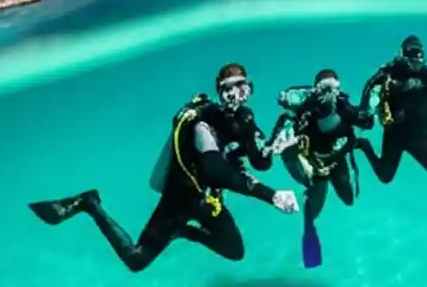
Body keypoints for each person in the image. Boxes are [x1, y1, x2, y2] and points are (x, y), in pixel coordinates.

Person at [28, 64, 300, 272]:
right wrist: (271, 195)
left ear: (250, 89)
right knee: (136, 260)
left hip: (209, 200)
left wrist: (276, 147)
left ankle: (184, 233)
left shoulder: (245, 120)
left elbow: (259, 162)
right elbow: (216, 170)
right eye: (226, 88)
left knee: (234, 250)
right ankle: (90, 204)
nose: (233, 95)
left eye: (240, 87)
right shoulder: (202, 122)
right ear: (218, 91)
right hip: (179, 200)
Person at [269, 69, 375, 267]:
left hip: (337, 160)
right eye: (324, 88)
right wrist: (281, 144)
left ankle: (311, 202)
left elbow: (366, 122)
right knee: (313, 213)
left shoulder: (343, 106)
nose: (328, 94)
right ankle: (310, 229)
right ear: (315, 90)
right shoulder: (307, 110)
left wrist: (368, 107)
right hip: (315, 167)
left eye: (333, 88)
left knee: (349, 198)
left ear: (339, 89)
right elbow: (285, 122)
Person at [355, 35, 427, 184]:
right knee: (385, 177)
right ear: (403, 57)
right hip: (395, 133)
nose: (415, 65)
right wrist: (364, 109)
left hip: (418, 135)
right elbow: (370, 84)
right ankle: (366, 146)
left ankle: (405, 147)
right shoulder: (391, 71)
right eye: (411, 60)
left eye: (418, 60)